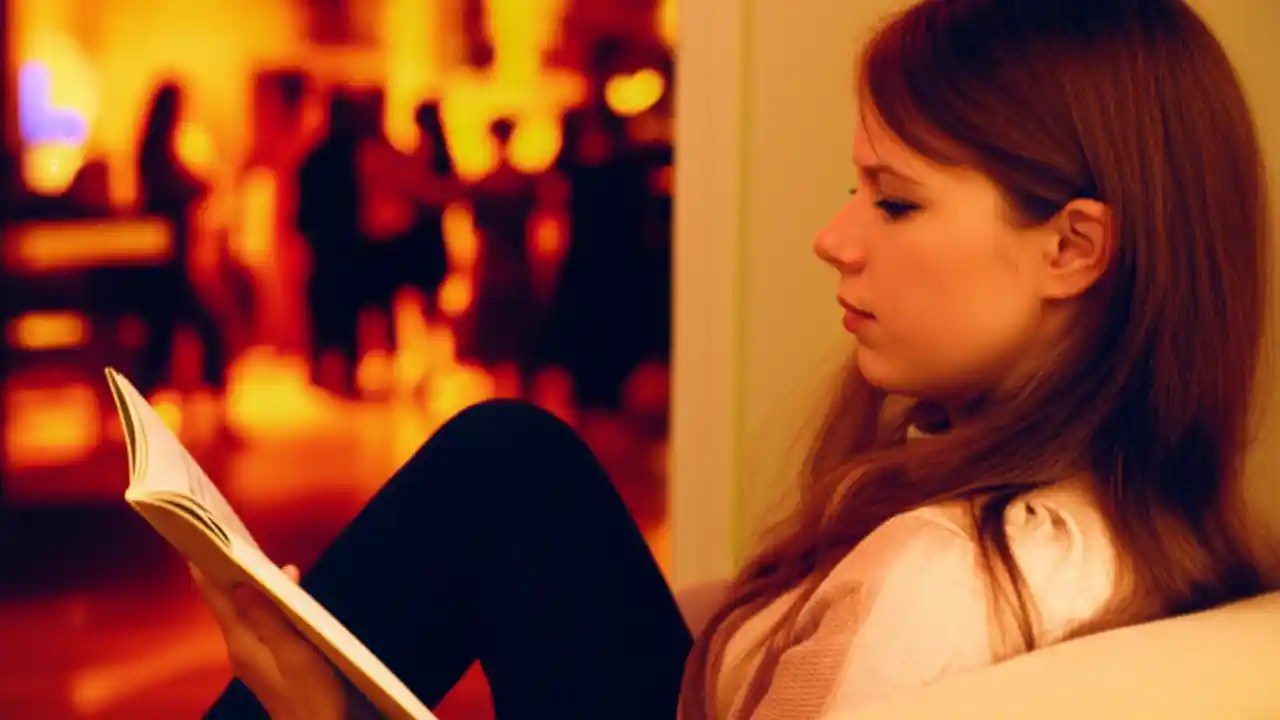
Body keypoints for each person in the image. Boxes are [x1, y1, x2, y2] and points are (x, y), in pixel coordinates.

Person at [196, 1, 1274, 718]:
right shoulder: (1147, 511)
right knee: (510, 465)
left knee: (500, 464)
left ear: (1072, 246)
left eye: (893, 201)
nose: (834, 237)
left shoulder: (934, 585)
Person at [134, 82, 227, 398]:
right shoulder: (158, 154)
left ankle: (148, 398)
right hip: (169, 261)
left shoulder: (155, 149)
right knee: (205, 330)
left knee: (162, 336)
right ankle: (212, 396)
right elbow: (181, 187)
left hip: (167, 259)